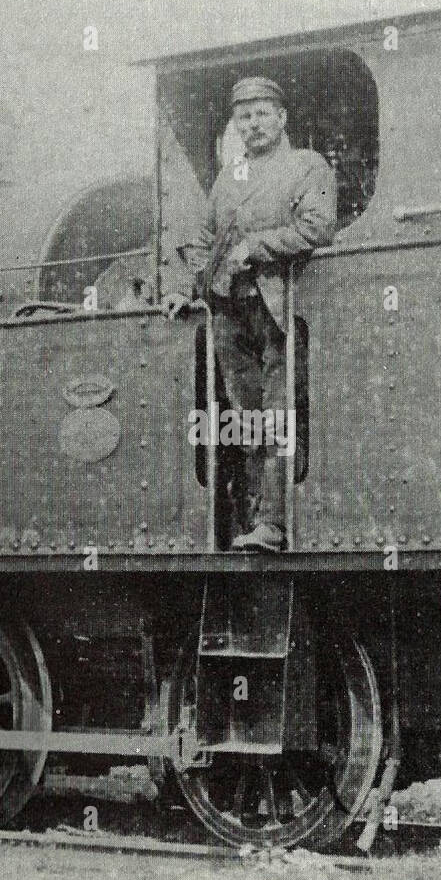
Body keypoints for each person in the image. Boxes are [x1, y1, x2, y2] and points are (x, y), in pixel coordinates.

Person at [163, 75, 336, 552]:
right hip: (229, 313)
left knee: (278, 414)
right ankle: (254, 518)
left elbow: (317, 228)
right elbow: (201, 239)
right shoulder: (229, 178)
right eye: (244, 117)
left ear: (282, 118)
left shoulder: (306, 166)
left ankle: (276, 525)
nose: (254, 124)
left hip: (279, 309)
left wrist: (254, 248)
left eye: (262, 114)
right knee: (246, 419)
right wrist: (189, 286)